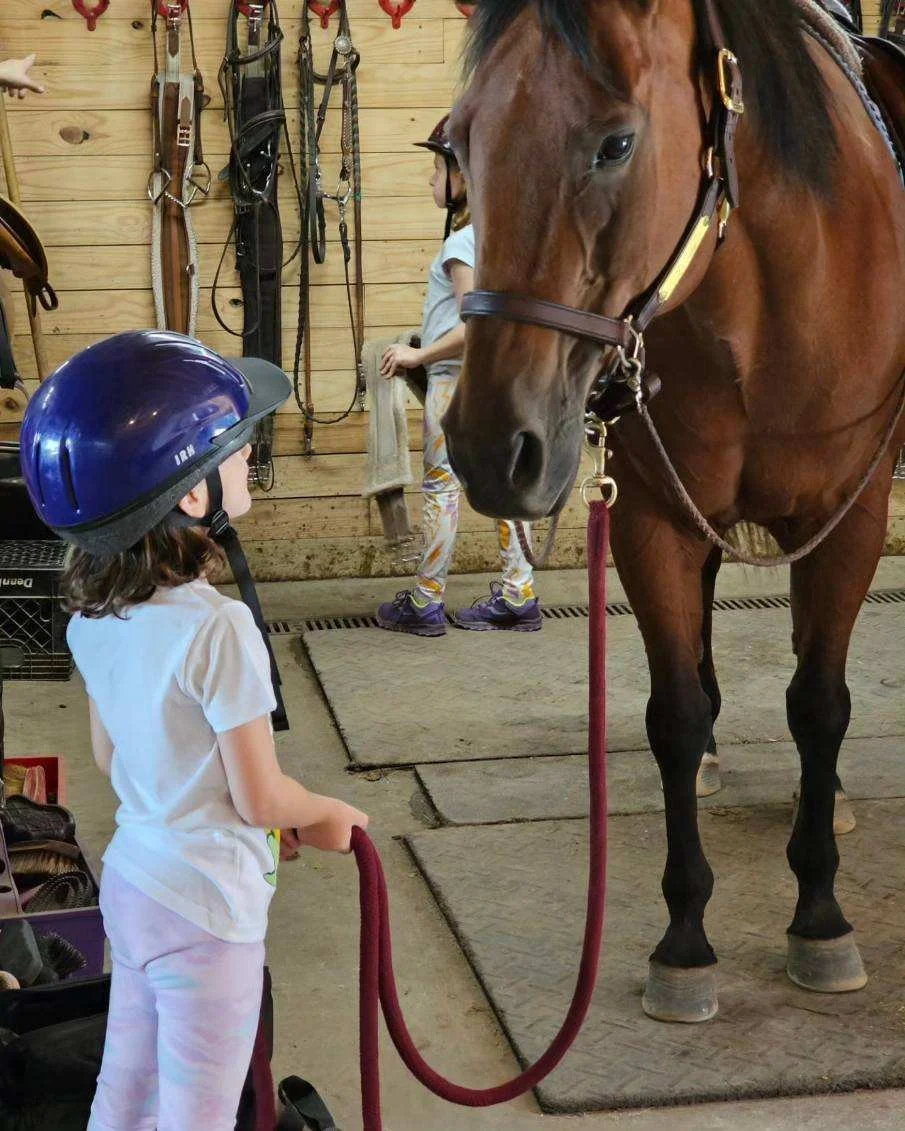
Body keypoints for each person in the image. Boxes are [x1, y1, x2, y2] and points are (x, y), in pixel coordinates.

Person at [19, 331, 369, 1131]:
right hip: (208, 910)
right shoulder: (219, 629)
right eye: (239, 452)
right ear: (192, 496)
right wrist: (321, 816)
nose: (247, 463)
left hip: (137, 883)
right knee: (198, 1111)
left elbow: (115, 757)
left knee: (126, 1082)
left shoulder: (91, 617)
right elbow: (258, 795)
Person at [376, 115, 542, 637]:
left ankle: (426, 601)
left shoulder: (461, 244)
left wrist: (416, 357)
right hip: (497, 385)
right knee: (502, 489)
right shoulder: (503, 238)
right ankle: (519, 596)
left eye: (436, 169)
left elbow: (475, 323)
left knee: (442, 490)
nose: (430, 181)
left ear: (463, 177)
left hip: (454, 384)